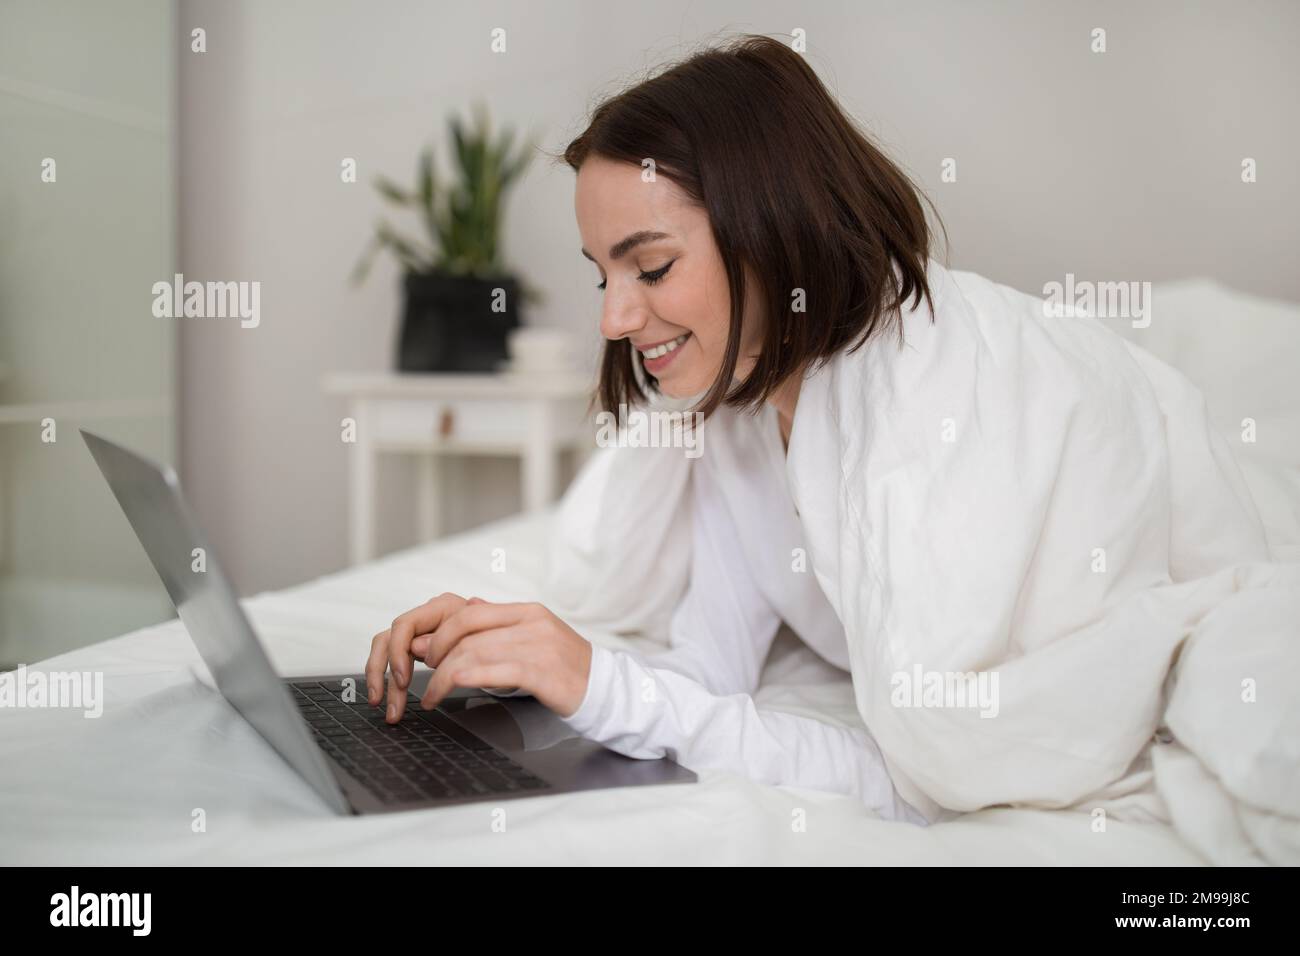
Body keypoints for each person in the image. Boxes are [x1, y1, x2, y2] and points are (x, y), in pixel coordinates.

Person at [363, 35, 1294, 831]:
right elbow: (710, 673)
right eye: (602, 275)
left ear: (773, 230)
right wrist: (530, 670)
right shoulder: (736, 405)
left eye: (649, 267)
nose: (614, 319)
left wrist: (602, 685)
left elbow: (934, 771)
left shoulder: (927, 402)